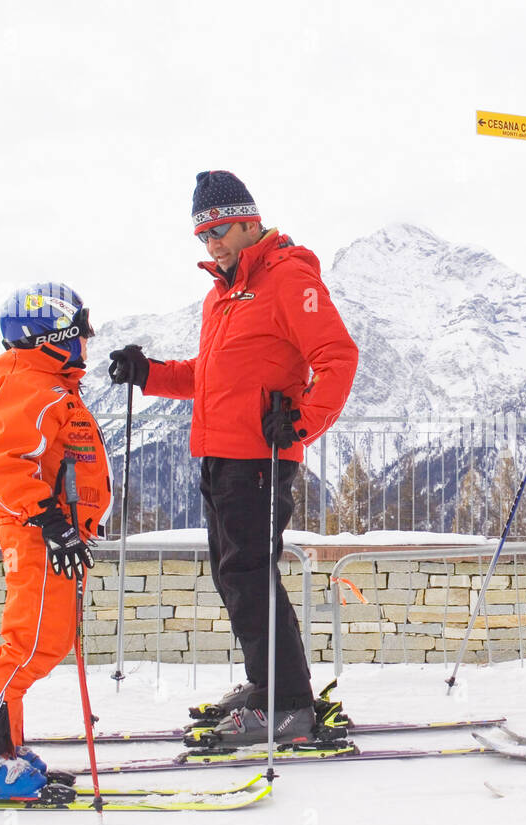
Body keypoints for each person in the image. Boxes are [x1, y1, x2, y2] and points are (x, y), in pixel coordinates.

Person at [108, 170, 358, 746]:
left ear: (250, 221)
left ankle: (288, 704)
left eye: (221, 230)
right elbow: (209, 377)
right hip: (220, 456)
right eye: (203, 236)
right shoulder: (223, 294)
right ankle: (270, 687)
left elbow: (338, 356)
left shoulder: (289, 278)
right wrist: (149, 374)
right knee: (237, 577)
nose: (213, 243)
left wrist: (301, 421)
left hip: (259, 459)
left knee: (250, 576)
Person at [0, 283, 111, 798]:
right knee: (29, 646)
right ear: (53, 334)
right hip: (40, 534)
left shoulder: (48, 382)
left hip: (54, 534)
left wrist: (67, 524)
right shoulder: (32, 385)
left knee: (42, 641)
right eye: (80, 328)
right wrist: (49, 520)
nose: (86, 337)